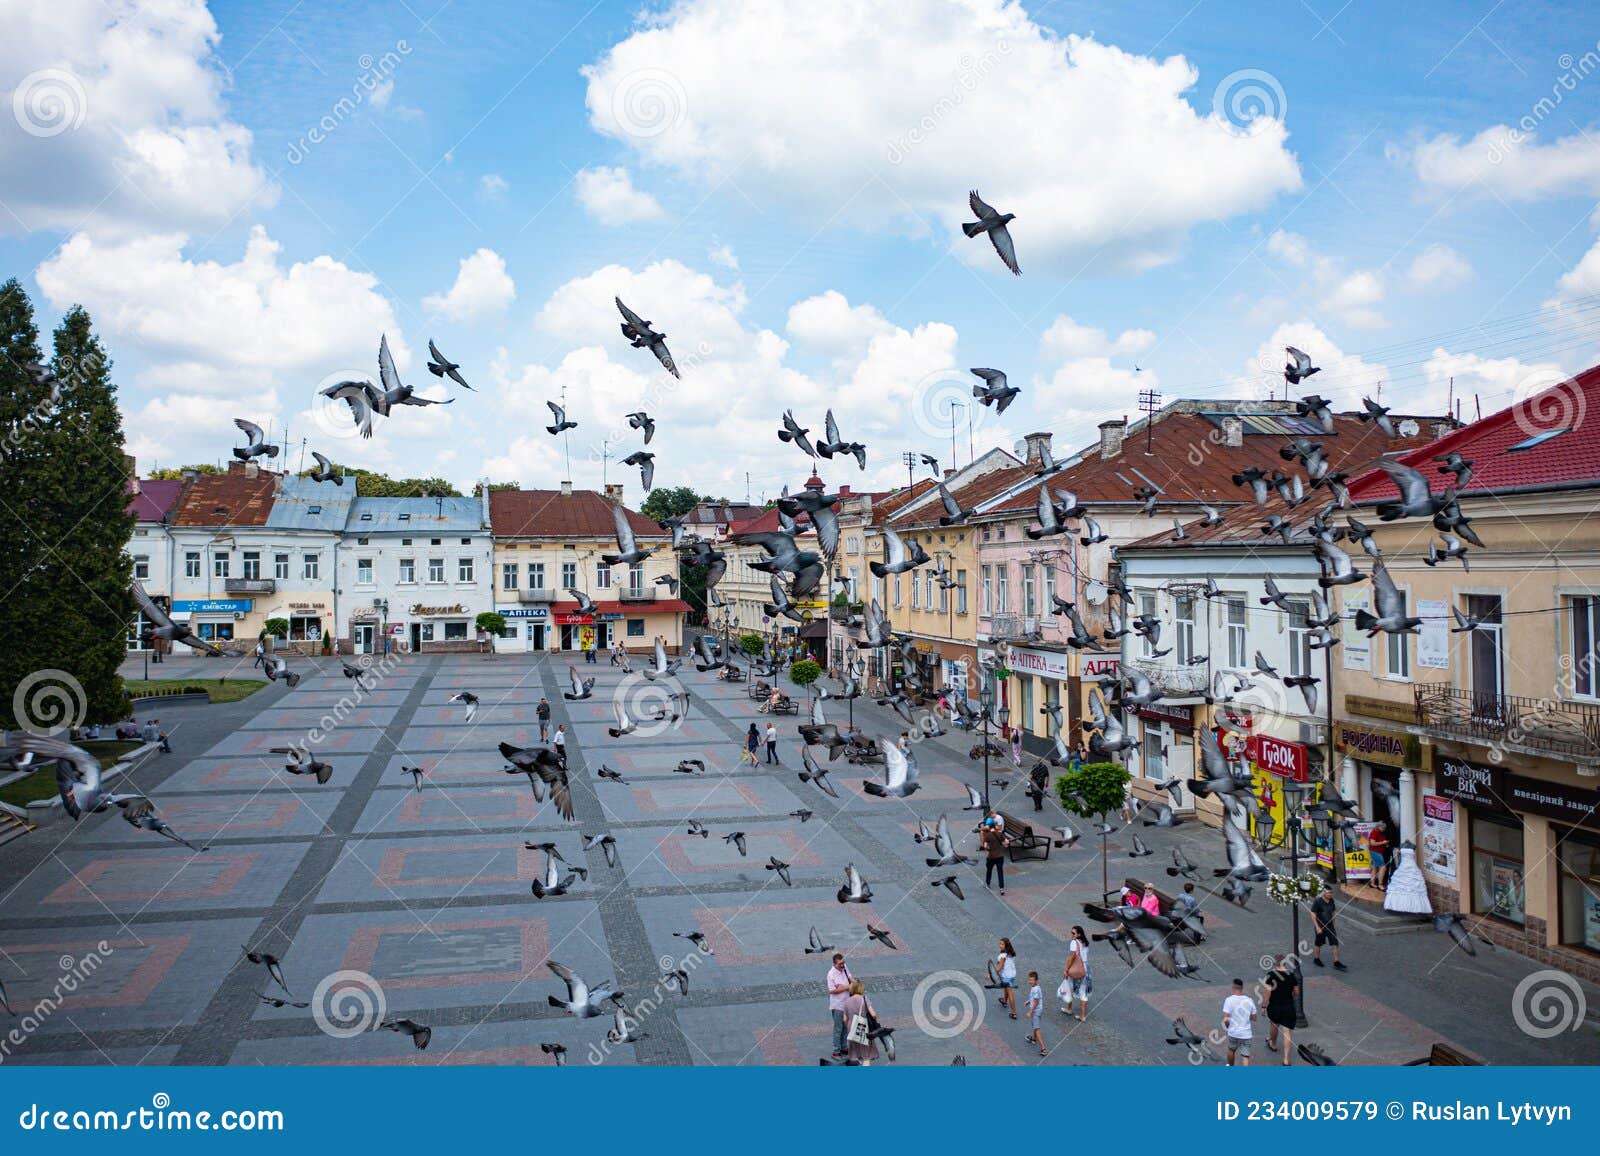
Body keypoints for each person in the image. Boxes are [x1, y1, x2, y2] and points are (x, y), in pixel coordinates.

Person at [1264, 956, 1298, 1065]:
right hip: (1288, 1006)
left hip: (1275, 1006)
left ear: (1275, 964)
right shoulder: (1291, 975)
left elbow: (1268, 992)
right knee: (1287, 1032)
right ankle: (1286, 1059)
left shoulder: (1271, 975)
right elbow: (1296, 992)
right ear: (1285, 963)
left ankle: (1273, 1044)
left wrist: (1264, 1006)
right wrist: (1290, 995)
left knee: (1274, 1025)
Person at [841, 980, 880, 1065]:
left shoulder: (847, 1002)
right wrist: (875, 1021)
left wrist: (849, 1026)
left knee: (854, 1052)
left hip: (851, 1028)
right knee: (866, 1053)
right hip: (863, 1028)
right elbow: (873, 1014)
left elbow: (844, 1019)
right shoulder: (864, 999)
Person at [1222, 978, 1257, 1066]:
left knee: (1231, 1050)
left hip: (1233, 1032)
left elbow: (1225, 1019)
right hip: (1246, 1033)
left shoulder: (1228, 1000)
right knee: (1245, 1055)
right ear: (1242, 988)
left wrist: (1228, 1026)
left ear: (1233, 987)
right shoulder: (1249, 1000)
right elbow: (1254, 1018)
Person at [1310, 886, 1346, 970]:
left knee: (1335, 943)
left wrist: (1334, 923)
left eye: (1331, 892)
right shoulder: (1318, 901)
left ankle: (1336, 962)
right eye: (1328, 893)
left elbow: (1333, 912)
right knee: (1318, 943)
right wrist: (1317, 927)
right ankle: (1316, 959)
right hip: (1321, 926)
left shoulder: (1331, 901)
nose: (1330, 894)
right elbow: (1312, 914)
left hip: (1330, 926)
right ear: (1324, 893)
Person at [1060, 925, 1089, 1021]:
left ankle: (1069, 1008)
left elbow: (1071, 957)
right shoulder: (1085, 942)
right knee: (1083, 991)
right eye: (1071, 932)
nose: (1071, 934)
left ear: (1079, 934)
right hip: (1085, 968)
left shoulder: (1074, 942)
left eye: (1073, 933)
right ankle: (1083, 1016)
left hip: (1076, 968)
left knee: (1069, 986)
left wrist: (1066, 969)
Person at [826, 953, 853, 1058]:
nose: (842, 966)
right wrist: (847, 987)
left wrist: (855, 984)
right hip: (837, 1005)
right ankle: (836, 1050)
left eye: (843, 963)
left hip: (847, 1003)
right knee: (838, 1028)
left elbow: (850, 977)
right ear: (834, 964)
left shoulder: (845, 967)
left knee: (845, 1027)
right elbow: (832, 991)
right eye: (840, 964)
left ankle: (844, 1047)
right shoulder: (831, 974)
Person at [980, 815, 1007, 895]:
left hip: (991, 856)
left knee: (989, 869)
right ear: (995, 826)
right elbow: (1006, 842)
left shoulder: (987, 835)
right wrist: (1003, 844)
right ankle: (1001, 888)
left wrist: (989, 849)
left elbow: (985, 846)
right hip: (1000, 856)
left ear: (988, 826)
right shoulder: (999, 834)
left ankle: (988, 883)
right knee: (1000, 871)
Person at [995, 938, 1018, 1019]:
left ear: (1006, 945)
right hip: (1012, 976)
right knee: (1007, 989)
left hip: (1006, 977)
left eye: (1002, 944)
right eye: (1000, 943)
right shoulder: (1011, 953)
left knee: (1010, 993)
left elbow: (999, 968)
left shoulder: (1002, 956)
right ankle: (1004, 1001)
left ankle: (1014, 1013)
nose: (1000, 945)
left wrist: (993, 972)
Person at [1024, 971, 1046, 1057]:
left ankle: (1043, 1049)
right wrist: (1028, 1001)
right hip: (1038, 1010)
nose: (1030, 981)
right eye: (1029, 980)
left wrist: (1030, 1011)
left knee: (1037, 1028)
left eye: (1032, 980)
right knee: (1034, 1025)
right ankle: (1033, 1038)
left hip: (1036, 1011)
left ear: (1036, 981)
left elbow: (1036, 1002)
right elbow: (1034, 999)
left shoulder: (1035, 989)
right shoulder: (1035, 987)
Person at [1366, 823, 1390, 889]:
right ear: (1379, 827)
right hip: (1375, 852)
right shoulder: (1375, 832)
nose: (1384, 829)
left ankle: (1372, 883)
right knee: (1383, 868)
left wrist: (1385, 844)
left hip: (1377, 852)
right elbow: (1372, 843)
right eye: (1383, 828)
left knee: (1375, 868)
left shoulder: (1379, 832)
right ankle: (1380, 885)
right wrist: (1383, 842)